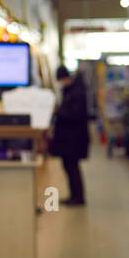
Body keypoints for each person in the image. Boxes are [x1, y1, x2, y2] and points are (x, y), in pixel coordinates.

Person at [50, 64, 90, 206]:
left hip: (73, 139)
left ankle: (78, 198)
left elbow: (75, 114)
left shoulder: (76, 92)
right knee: (70, 167)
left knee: (72, 168)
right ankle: (74, 196)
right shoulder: (72, 90)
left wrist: (58, 112)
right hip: (70, 138)